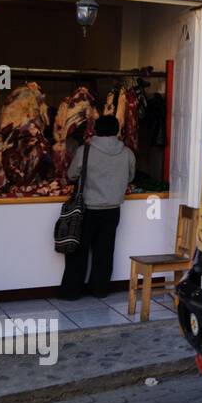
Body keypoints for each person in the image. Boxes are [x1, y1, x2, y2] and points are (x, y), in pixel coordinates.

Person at [59, 115, 135, 300]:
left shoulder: (85, 151)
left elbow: (72, 174)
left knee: (78, 252)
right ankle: (100, 289)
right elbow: (131, 177)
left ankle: (71, 292)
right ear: (117, 130)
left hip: (87, 209)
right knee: (105, 251)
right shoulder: (127, 153)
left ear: (95, 130)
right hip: (112, 209)